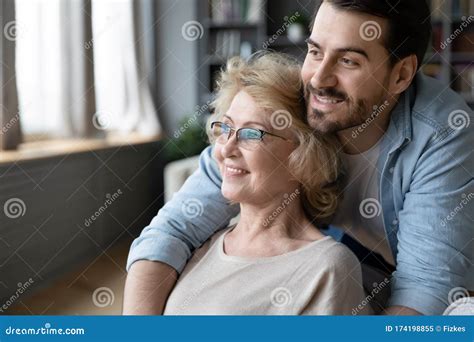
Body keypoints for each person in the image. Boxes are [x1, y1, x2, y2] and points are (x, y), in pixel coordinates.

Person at [123, 0, 473, 316]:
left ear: (400, 75)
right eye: (315, 51)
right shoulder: (293, 103)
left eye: (349, 60)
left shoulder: (443, 133)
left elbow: (425, 289)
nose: (318, 79)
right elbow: (172, 230)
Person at [161, 52, 369, 315]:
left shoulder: (326, 268)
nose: (227, 148)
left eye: (251, 133)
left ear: (303, 156)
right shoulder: (201, 240)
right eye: (225, 129)